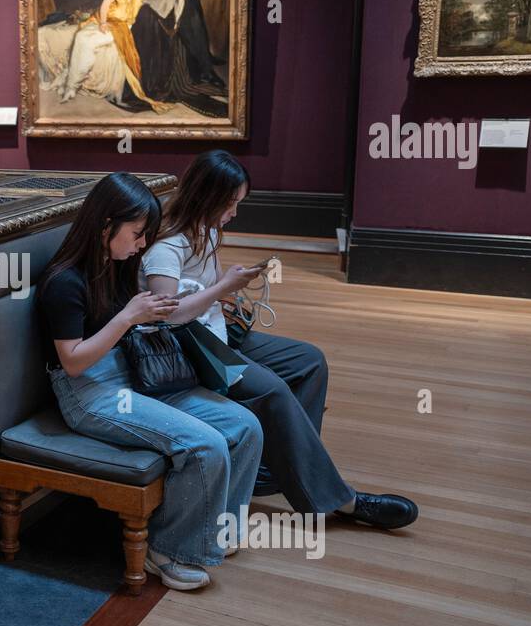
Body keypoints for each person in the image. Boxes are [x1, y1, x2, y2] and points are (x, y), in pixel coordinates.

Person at [140, 150, 418, 529]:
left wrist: (227, 289)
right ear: (207, 198)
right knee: (271, 389)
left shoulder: (206, 232)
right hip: (186, 352)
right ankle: (338, 499)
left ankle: (277, 471)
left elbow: (200, 293)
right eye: (231, 203)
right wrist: (223, 286)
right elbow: (167, 317)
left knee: (309, 361)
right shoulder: (165, 250)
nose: (234, 212)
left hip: (214, 336)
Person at [38, 172, 263, 590]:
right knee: (205, 444)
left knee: (245, 426)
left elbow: (139, 322)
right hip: (89, 392)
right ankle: (169, 550)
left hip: (130, 374)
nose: (142, 244)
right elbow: (72, 362)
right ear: (107, 225)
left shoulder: (116, 265)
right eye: (138, 234)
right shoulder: (64, 282)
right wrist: (129, 317)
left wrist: (165, 310)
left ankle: (215, 530)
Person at [55, 0, 182, 113]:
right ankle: (71, 85)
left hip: (125, 24)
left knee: (87, 40)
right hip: (111, 17)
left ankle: (72, 85)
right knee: (82, 35)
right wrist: (103, 21)